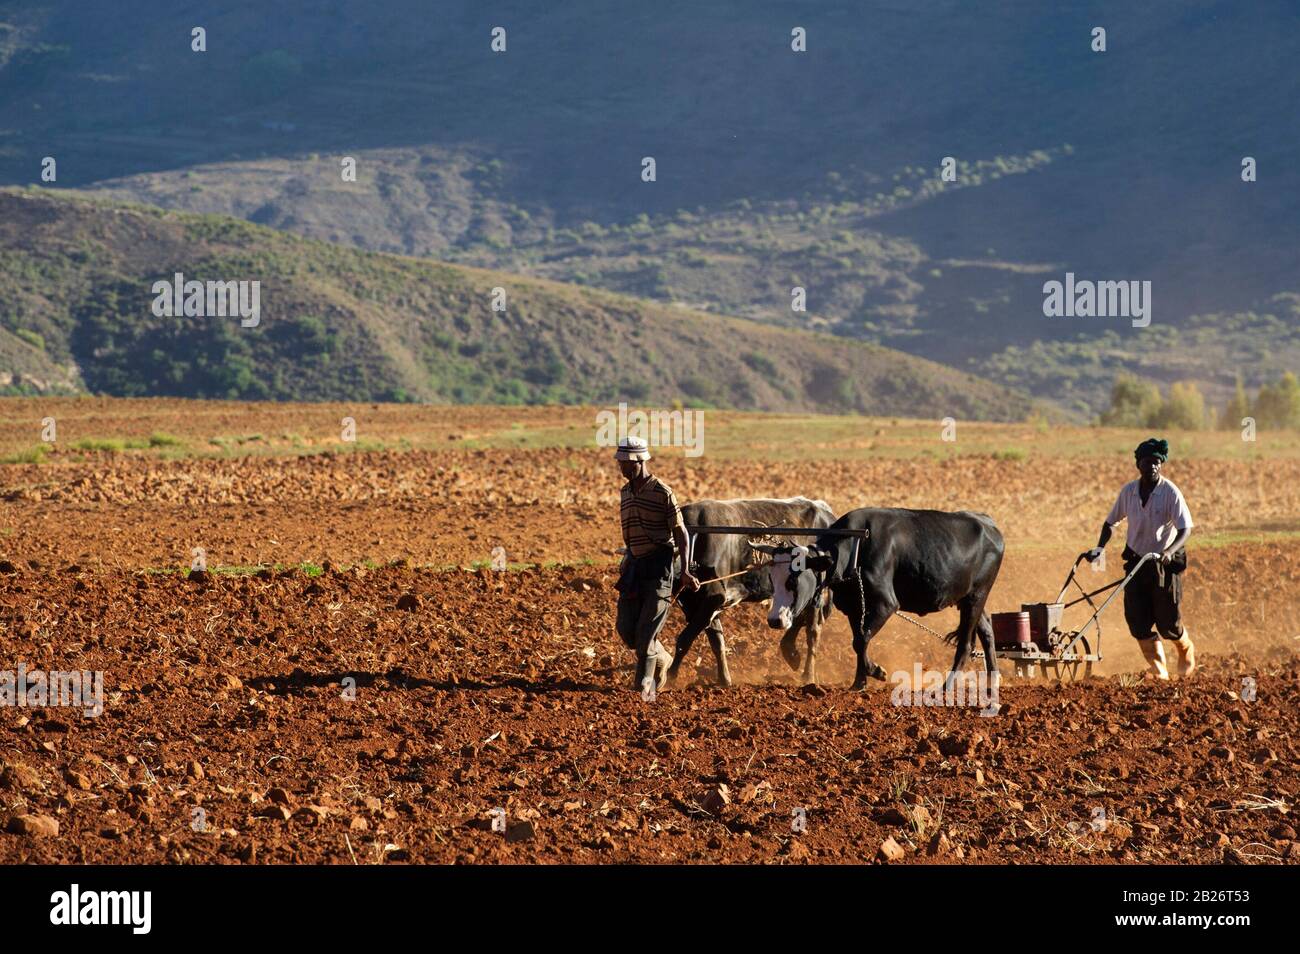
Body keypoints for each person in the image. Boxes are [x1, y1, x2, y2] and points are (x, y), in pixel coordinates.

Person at [1081, 437, 1196, 680]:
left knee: (1168, 624)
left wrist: (1169, 551)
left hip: (1162, 564)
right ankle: (1159, 671)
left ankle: (1185, 649)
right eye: (1147, 461)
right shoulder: (1129, 492)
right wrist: (1099, 548)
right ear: (1138, 464)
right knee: (1137, 621)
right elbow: (1111, 522)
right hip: (1136, 563)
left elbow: (1185, 528)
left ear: (1161, 464)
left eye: (1157, 462)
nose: (1152, 466)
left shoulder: (1170, 492)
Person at [613, 436, 699, 692]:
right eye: (620, 463)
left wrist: (684, 570)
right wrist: (628, 557)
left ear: (641, 461)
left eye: (627, 463)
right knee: (626, 629)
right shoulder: (625, 492)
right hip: (634, 567)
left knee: (646, 635)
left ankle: (643, 690)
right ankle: (662, 658)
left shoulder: (662, 491)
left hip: (658, 569)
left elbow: (681, 532)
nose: (623, 468)